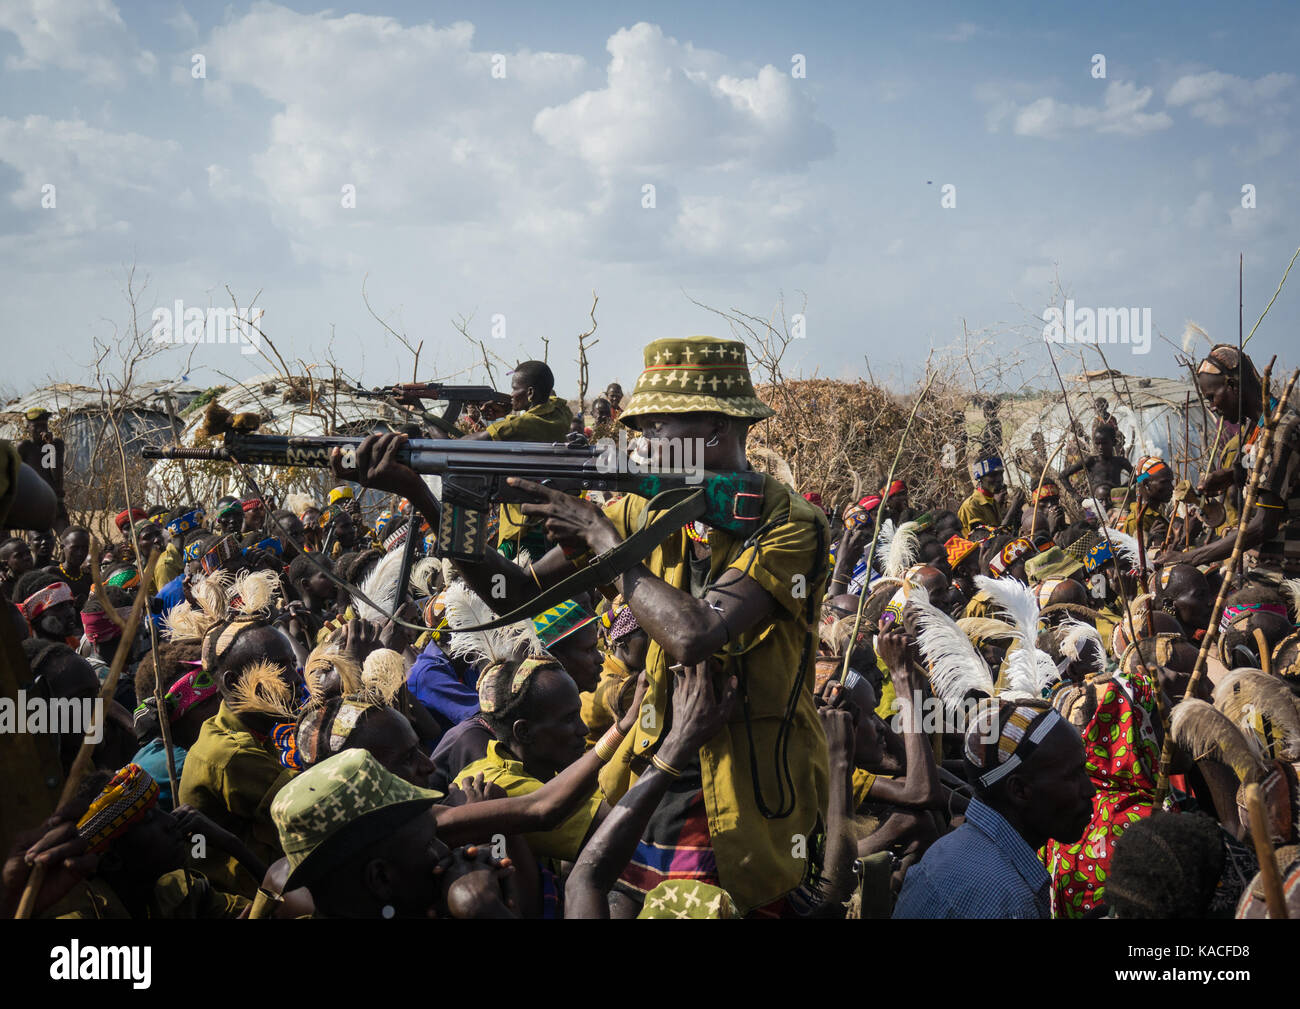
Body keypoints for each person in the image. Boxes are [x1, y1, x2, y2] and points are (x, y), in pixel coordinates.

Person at [332, 336, 831, 916]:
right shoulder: (648, 509)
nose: (642, 445)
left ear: (716, 430)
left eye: (657, 429)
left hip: (748, 789)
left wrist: (601, 538)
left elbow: (694, 635)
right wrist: (422, 492)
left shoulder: (790, 524)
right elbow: (510, 594)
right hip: (657, 763)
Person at [893, 703, 1095, 918]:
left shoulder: (948, 847)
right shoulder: (1011, 901)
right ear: (1019, 790)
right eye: (1074, 775)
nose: (1090, 790)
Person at [1160, 345, 1300, 587]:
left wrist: (1190, 557)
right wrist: (1232, 475)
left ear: (1233, 386)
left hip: (1284, 573)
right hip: (1261, 564)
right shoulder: (1256, 429)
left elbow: (1263, 525)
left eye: (1212, 397)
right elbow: (1269, 475)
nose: (1212, 407)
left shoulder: (1279, 430)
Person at [1061, 424, 1133, 501]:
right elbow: (1063, 475)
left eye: (1104, 443)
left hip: (1116, 503)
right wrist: (1078, 498)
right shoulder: (1091, 461)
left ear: (1114, 442)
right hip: (1096, 505)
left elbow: (1137, 477)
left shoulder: (1120, 461)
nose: (1100, 447)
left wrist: (1123, 489)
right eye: (1097, 443)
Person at [1122, 456, 1173, 547]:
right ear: (1146, 485)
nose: (1171, 487)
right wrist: (1149, 539)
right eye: (1164, 482)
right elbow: (1135, 557)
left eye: (1170, 482)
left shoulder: (1157, 514)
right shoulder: (1136, 520)